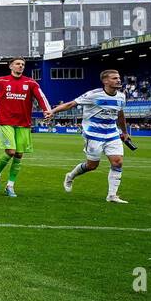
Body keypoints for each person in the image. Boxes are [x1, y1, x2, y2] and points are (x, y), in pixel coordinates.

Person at [0, 57, 53, 197]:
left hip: (24, 122)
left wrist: (47, 109)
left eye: (22, 64)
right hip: (6, 121)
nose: (20, 66)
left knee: (19, 155)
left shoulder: (30, 82)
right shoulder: (1, 81)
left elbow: (41, 97)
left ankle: (10, 185)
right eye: (17, 64)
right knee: (11, 151)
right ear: (11, 66)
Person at [56, 68, 133, 203]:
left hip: (112, 134)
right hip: (93, 134)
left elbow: (120, 115)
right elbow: (71, 104)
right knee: (92, 165)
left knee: (118, 162)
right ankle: (70, 176)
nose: (118, 80)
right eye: (114, 78)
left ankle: (112, 195)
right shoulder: (93, 95)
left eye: (119, 77)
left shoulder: (121, 96)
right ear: (105, 81)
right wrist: (53, 111)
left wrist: (125, 132)